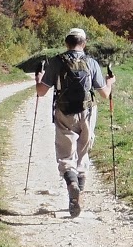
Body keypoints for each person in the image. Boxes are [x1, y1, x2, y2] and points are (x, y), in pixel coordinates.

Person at [35, 27, 113, 219]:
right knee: (82, 154)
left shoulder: (56, 62)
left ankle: (71, 186)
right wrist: (110, 82)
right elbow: (104, 94)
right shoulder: (91, 62)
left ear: (66, 43)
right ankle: (80, 194)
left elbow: (41, 92)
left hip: (64, 112)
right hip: (87, 112)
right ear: (84, 44)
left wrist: (38, 78)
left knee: (65, 154)